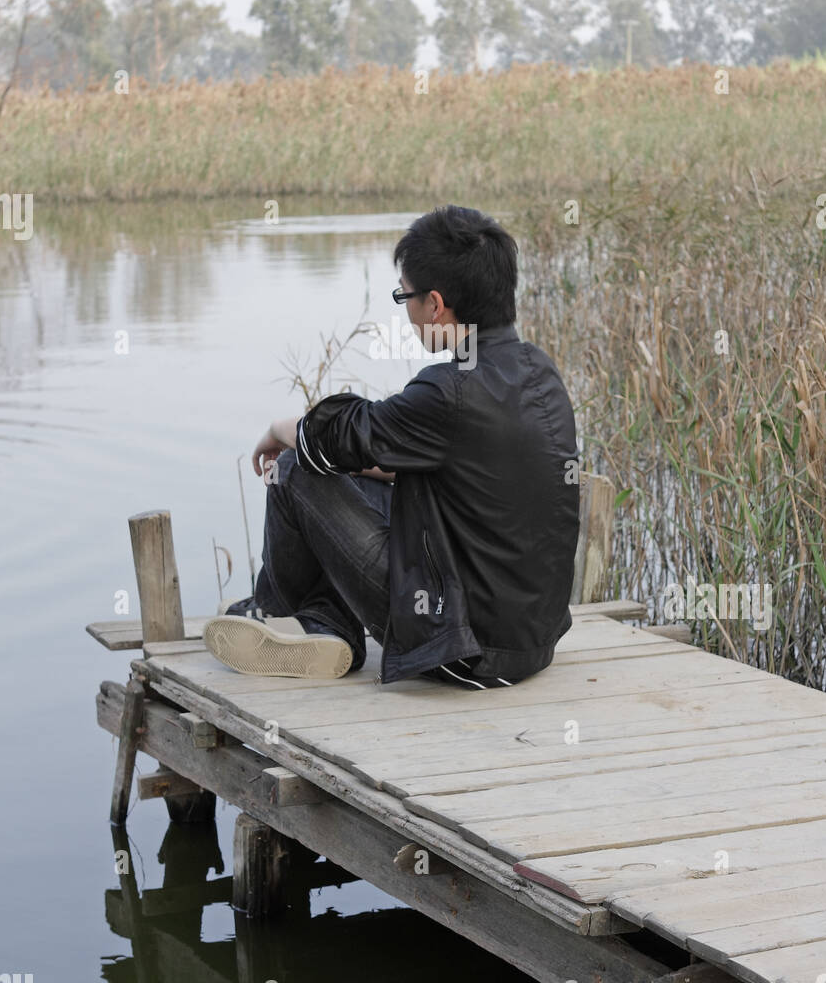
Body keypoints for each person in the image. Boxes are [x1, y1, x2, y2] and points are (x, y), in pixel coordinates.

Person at [203, 204, 580, 689]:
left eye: (406, 296)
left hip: (464, 650)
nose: (407, 311)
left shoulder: (450, 389)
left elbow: (343, 434)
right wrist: (359, 466)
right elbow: (409, 458)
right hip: (530, 642)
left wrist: (281, 428)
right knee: (352, 471)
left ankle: (281, 611)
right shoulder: (539, 371)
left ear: (436, 303)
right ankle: (322, 619)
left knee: (298, 466)